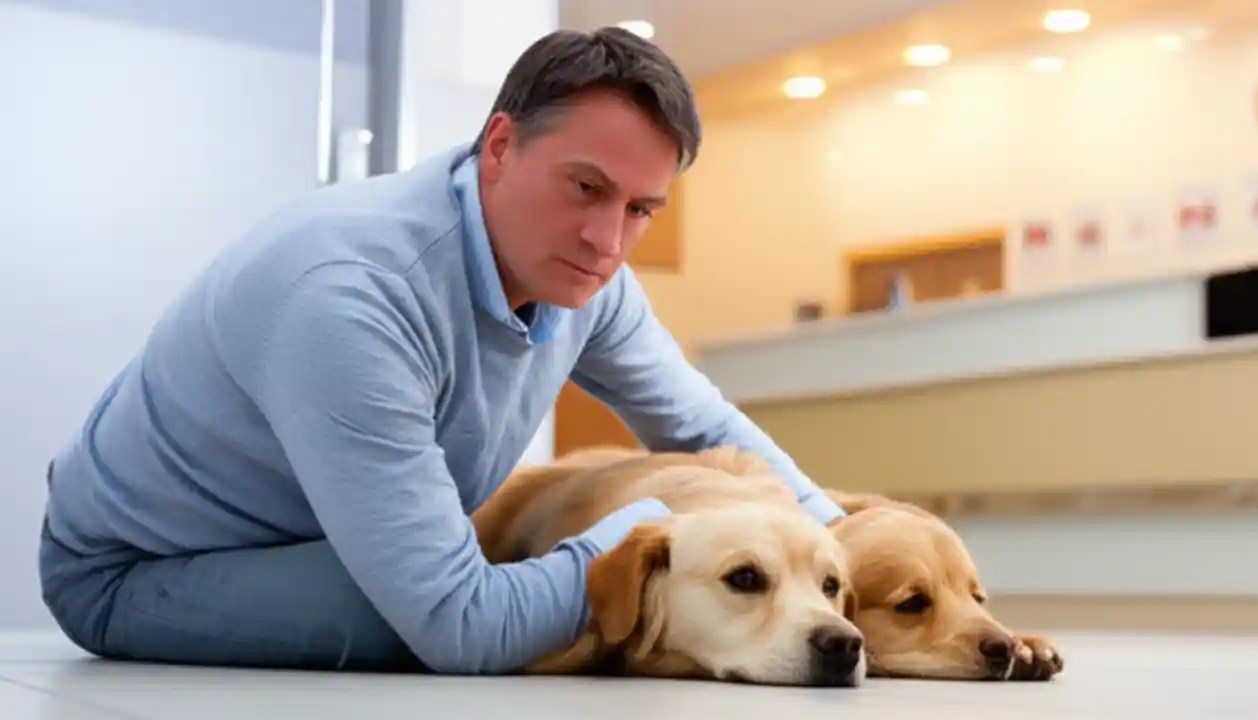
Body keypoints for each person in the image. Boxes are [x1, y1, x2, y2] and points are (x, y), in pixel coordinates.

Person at [37, 26, 846, 675]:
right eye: (586, 188)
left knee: (510, 596)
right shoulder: (351, 297)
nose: (608, 240)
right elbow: (464, 628)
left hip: (311, 540)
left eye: (641, 209)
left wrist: (840, 545)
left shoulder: (586, 280)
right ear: (499, 146)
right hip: (133, 570)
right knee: (491, 626)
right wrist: (652, 530)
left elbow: (702, 426)